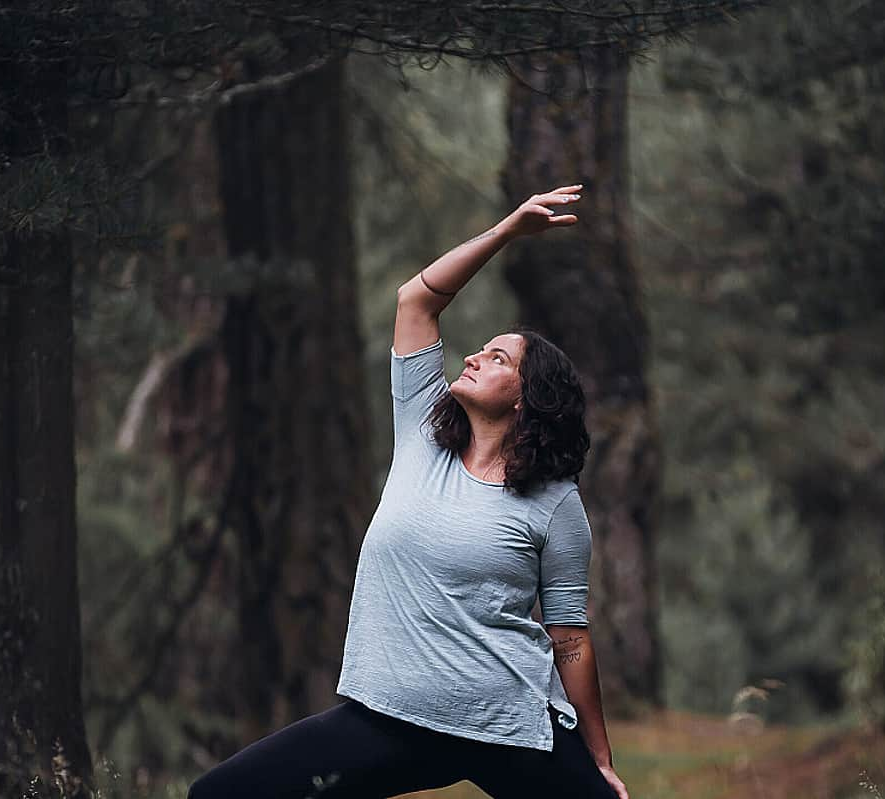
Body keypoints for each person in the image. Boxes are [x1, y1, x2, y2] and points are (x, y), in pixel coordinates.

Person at [188, 184, 631, 799]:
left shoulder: (555, 502)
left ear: (528, 396)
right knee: (220, 796)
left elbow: (569, 637)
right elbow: (417, 300)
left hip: (506, 723)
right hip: (391, 718)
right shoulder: (423, 430)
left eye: (498, 357)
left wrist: (599, 757)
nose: (474, 356)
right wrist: (506, 232)